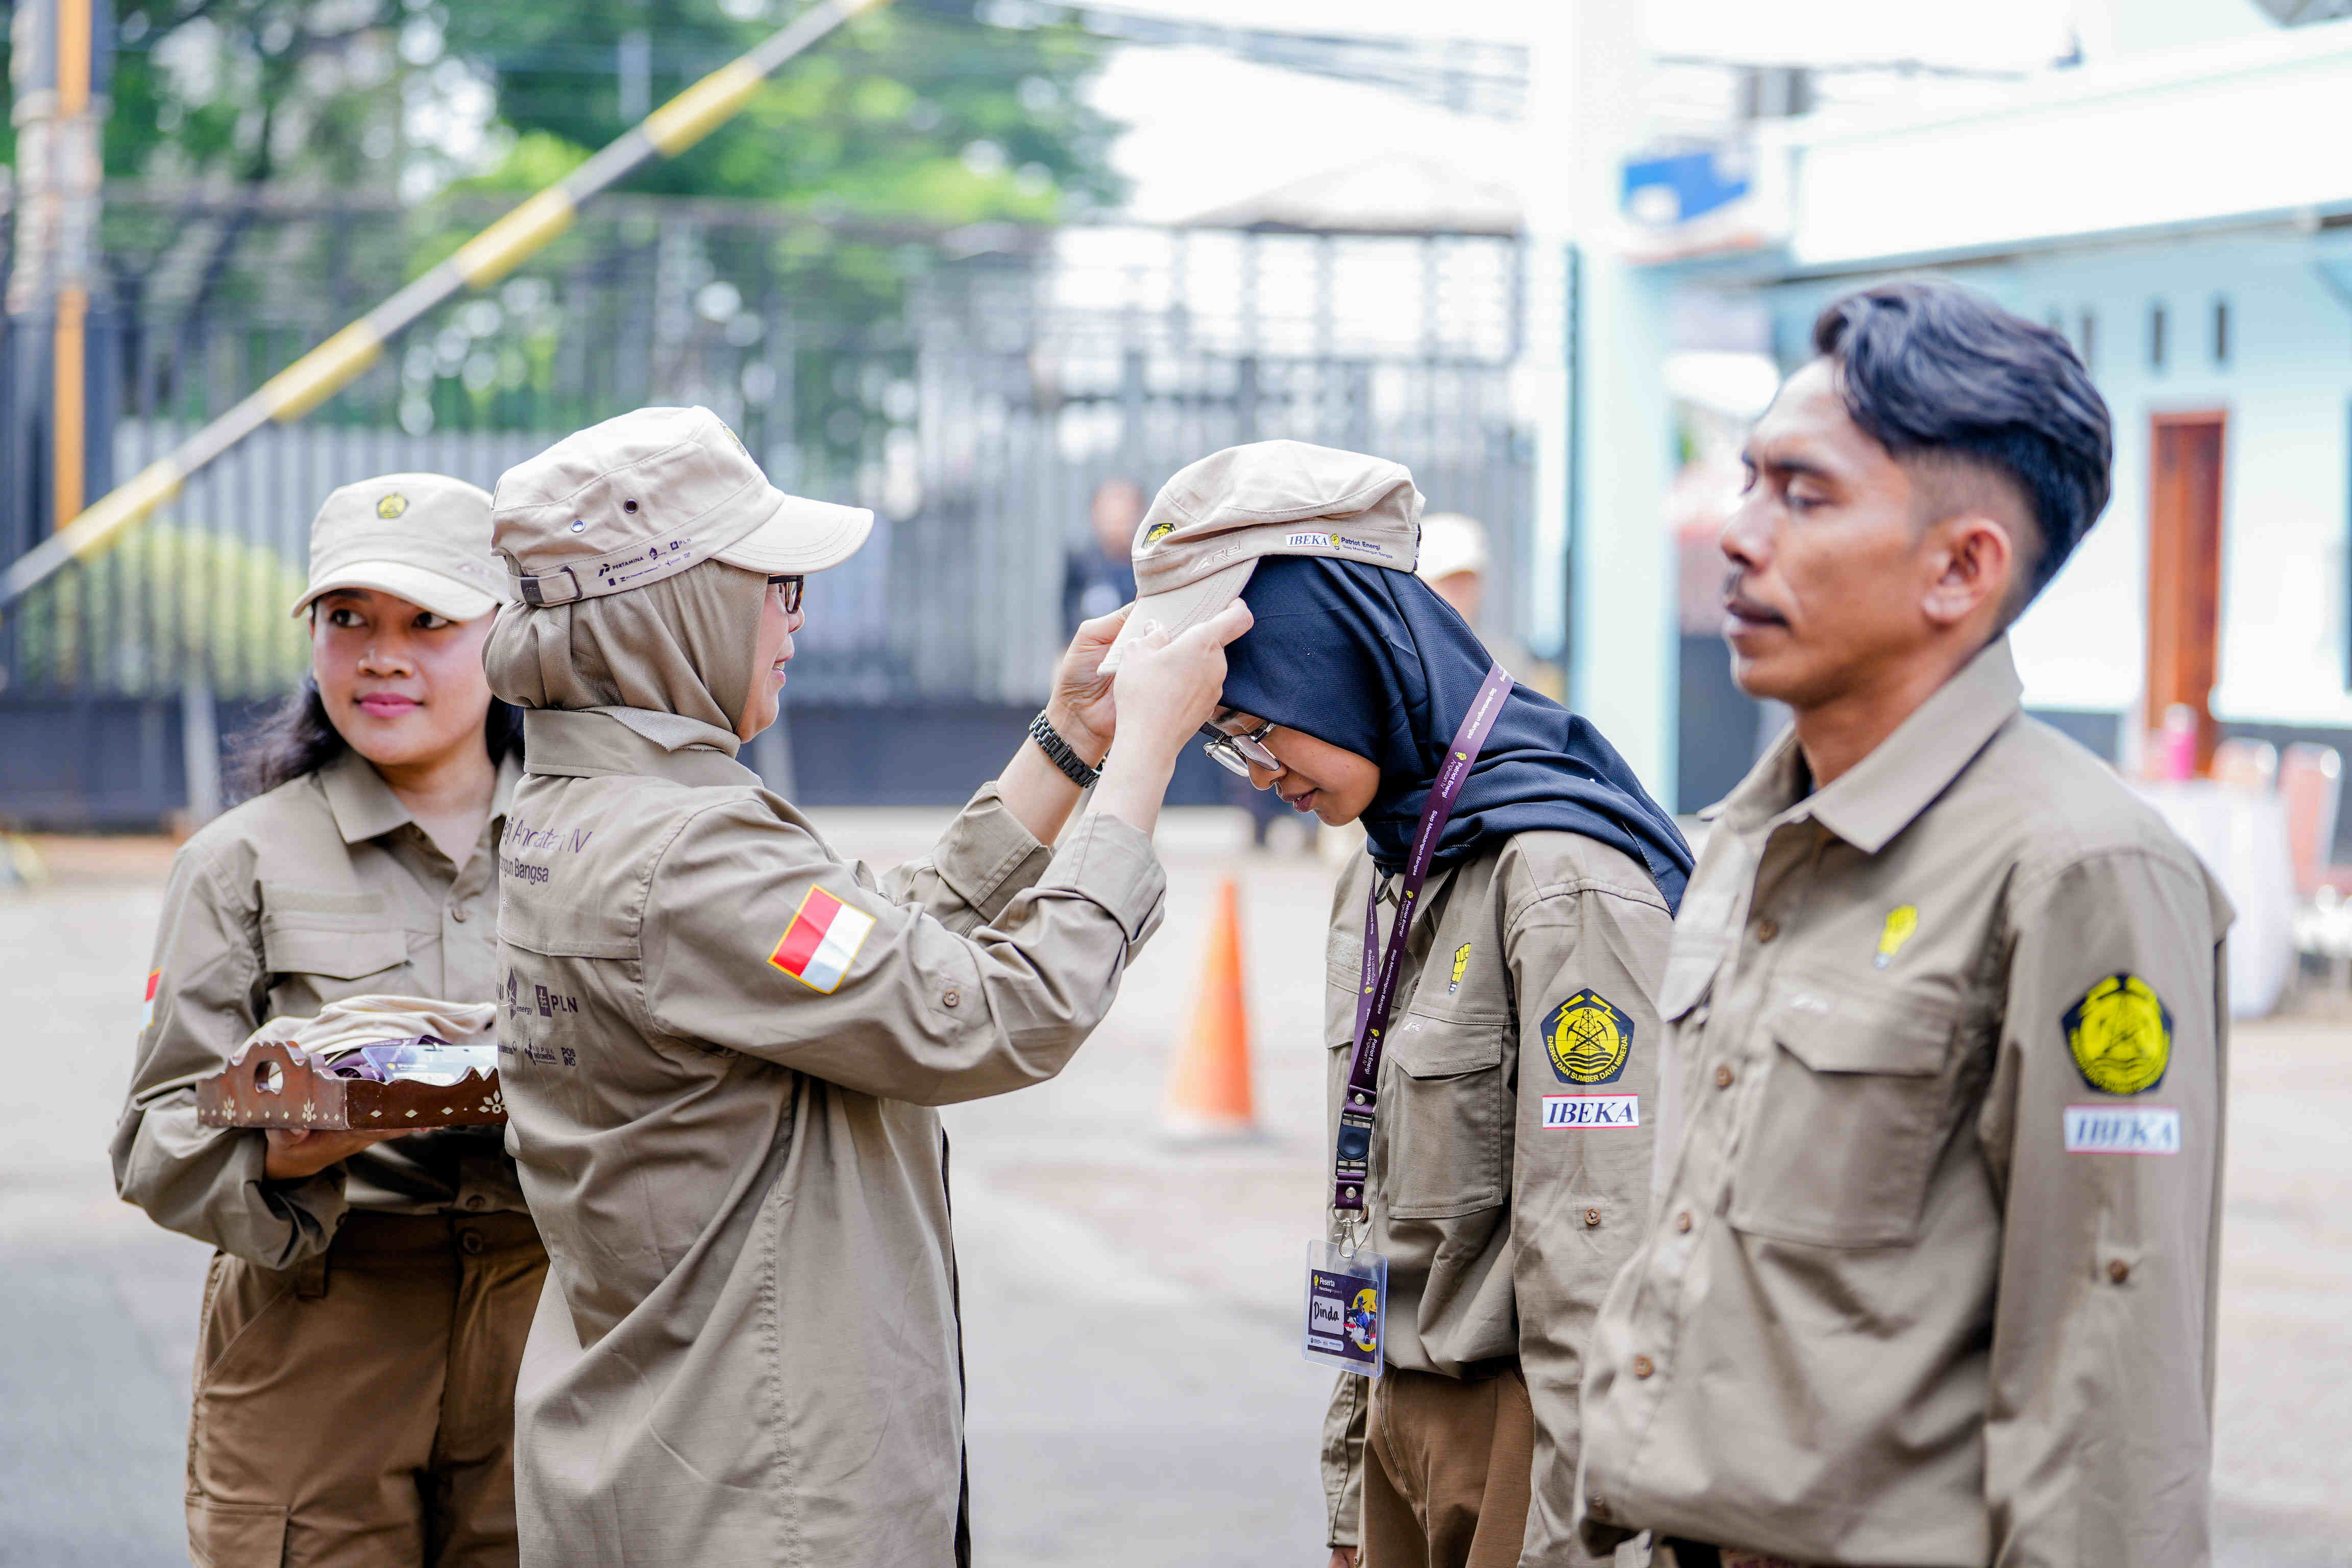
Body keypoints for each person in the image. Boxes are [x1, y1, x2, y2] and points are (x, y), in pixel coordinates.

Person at [478, 405, 1248, 1568]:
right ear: (678, 605)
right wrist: (1144, 753)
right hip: (760, 1500)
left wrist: (1067, 742)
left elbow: (866, 957)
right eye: (772, 584)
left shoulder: (591, 812)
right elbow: (1001, 1012)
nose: (796, 615)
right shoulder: (689, 852)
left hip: (662, 1468)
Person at [1576, 279, 2231, 1568]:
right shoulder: (1753, 838)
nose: (1737, 533)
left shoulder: (2080, 871)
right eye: (1747, 481)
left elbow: (2109, 1373)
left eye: (1803, 494)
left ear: (1960, 568)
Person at [1100, 440, 1694, 1568]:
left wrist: (1576, 1537)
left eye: (1257, 724)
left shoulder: (1557, 881)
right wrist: (1349, 1489)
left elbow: (1598, 1264)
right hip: (1401, 1431)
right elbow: (1363, 1216)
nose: (1258, 770)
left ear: (1336, 665)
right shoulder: (1381, 870)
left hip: (1529, 1446)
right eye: (1224, 746)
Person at [113, 473, 545, 1565]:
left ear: (505, 635)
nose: (382, 656)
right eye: (348, 618)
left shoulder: (587, 844)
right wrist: (283, 1154)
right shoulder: (237, 862)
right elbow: (154, 1138)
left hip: (550, 1337)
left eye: (429, 621)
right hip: (320, 1337)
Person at [1062, 475, 1145, 633]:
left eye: (1125, 516)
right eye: (1110, 515)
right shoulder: (1081, 563)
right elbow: (1069, 616)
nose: (1117, 524)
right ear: (1095, 514)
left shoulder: (1150, 562)